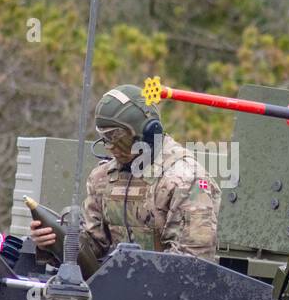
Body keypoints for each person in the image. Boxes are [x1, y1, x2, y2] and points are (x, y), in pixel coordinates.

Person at [30, 84, 219, 273]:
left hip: (168, 294)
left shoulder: (185, 179)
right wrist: (55, 242)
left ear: (149, 133)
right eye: (105, 138)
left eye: (117, 137)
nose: (110, 147)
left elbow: (193, 264)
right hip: (117, 289)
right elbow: (94, 245)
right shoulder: (102, 178)